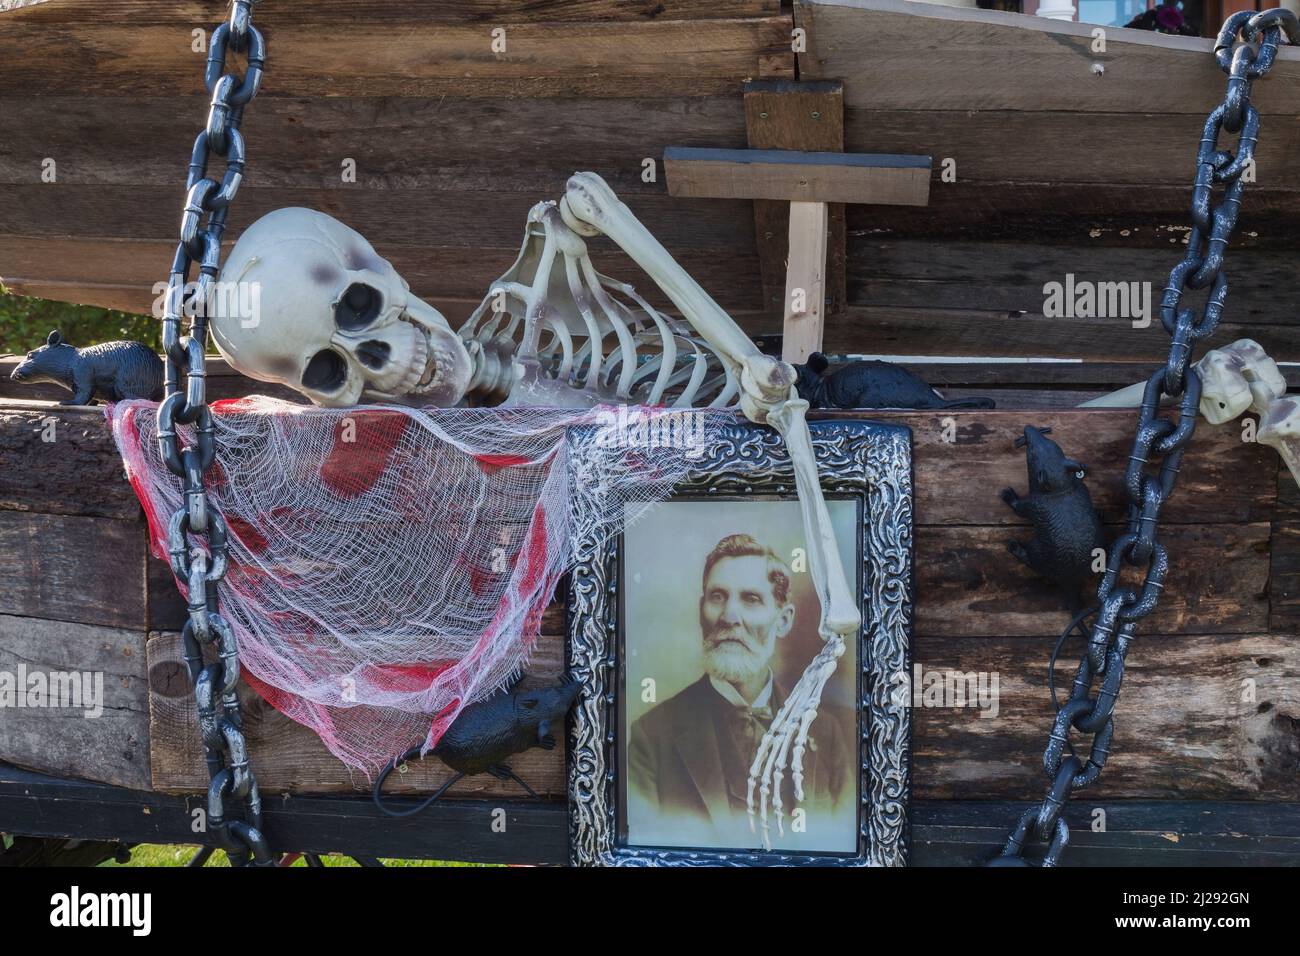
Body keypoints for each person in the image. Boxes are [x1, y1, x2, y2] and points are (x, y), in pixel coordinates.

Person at [627, 533, 853, 849]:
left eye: (750, 598)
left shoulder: (825, 734)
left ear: (784, 620)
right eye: (717, 596)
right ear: (701, 609)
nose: (729, 616)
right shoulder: (650, 737)